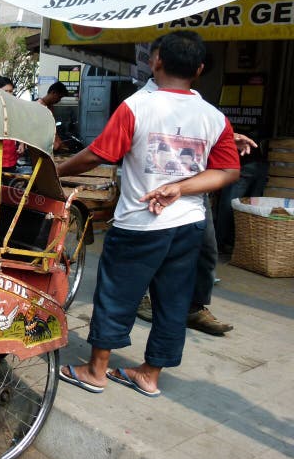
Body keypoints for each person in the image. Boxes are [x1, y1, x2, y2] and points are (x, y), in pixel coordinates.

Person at [56, 31, 239, 397]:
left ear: (156, 61)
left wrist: (56, 170)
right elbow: (228, 172)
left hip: (139, 223)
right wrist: (183, 187)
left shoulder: (137, 106)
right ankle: (149, 375)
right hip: (187, 225)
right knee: (173, 300)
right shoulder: (214, 117)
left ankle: (96, 370)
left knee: (115, 293)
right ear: (199, 69)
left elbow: (98, 154)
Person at [135, 39, 255, 336]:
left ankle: (194, 307)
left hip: (190, 195)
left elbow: (198, 130)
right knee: (142, 255)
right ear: (155, 61)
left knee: (205, 251)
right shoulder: (140, 101)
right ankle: (138, 301)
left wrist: (226, 138)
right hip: (149, 194)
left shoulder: (198, 104)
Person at [37, 81, 69, 151]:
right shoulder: (39, 106)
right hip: (40, 147)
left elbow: (52, 127)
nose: (59, 100)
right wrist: (53, 143)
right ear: (53, 92)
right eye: (59, 97)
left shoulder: (50, 107)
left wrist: (59, 141)